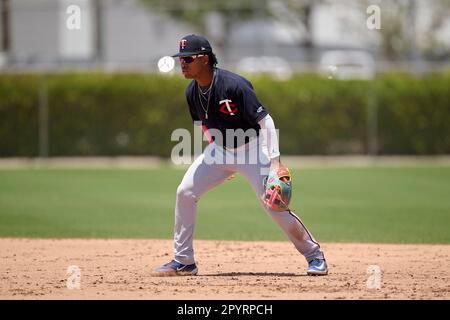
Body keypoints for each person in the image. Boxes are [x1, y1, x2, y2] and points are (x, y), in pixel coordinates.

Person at [153, 34, 328, 276]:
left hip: (253, 150)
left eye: (188, 58)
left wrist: (276, 162)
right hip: (220, 152)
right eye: (181, 59)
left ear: (204, 59)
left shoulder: (234, 85)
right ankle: (184, 261)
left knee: (273, 204)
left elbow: (265, 121)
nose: (182, 63)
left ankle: (314, 255)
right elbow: (203, 125)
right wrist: (219, 160)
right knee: (185, 192)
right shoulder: (191, 92)